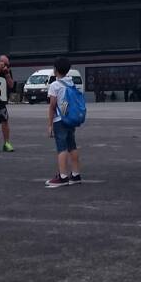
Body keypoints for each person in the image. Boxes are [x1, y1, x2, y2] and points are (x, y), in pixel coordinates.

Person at [46, 56, 82, 187]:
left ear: (55, 69)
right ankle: (76, 174)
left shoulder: (55, 85)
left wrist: (50, 124)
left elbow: (52, 106)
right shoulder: (71, 83)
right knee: (72, 145)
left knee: (61, 148)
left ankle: (62, 176)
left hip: (59, 120)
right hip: (70, 119)